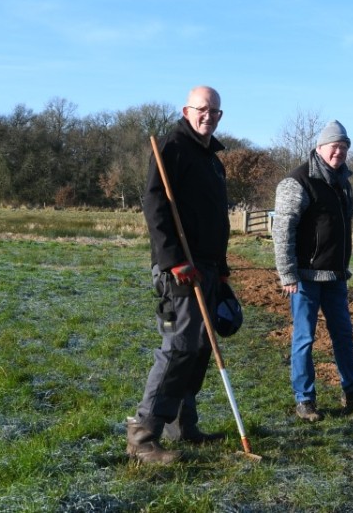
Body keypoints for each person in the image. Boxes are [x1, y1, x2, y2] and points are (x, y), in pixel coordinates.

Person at [129, 85, 231, 464]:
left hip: (206, 266)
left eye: (215, 111)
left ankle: (182, 425)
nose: (209, 116)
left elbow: (214, 221)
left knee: (200, 348)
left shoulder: (213, 160)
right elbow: (155, 204)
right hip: (181, 267)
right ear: (187, 110)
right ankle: (142, 435)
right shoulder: (172, 148)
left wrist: (220, 270)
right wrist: (173, 259)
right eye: (202, 109)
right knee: (180, 346)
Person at [273, 120, 353, 422]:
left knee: (343, 334)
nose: (339, 152)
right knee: (304, 338)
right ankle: (305, 399)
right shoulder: (298, 182)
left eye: (344, 148)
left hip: (335, 277)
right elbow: (283, 231)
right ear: (320, 148)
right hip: (306, 278)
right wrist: (288, 274)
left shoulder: (343, 183)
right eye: (335, 147)